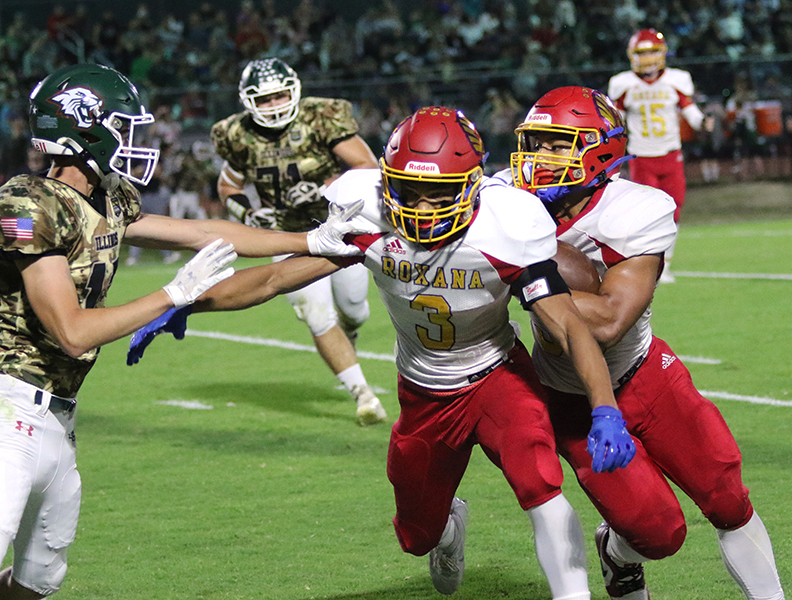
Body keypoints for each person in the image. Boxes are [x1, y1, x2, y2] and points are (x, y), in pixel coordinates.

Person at [133, 106, 637, 599]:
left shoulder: (506, 224)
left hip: (495, 373)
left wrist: (605, 407)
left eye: (435, 192)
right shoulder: (369, 214)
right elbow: (272, 276)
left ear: (472, 184)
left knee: (541, 484)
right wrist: (189, 304)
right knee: (418, 533)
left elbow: (567, 324)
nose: (420, 207)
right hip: (422, 390)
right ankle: (446, 526)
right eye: (407, 190)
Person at [0, 63, 355, 600]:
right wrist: (173, 294)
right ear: (80, 126)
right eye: (122, 124)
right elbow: (73, 333)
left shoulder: (110, 196)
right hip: (9, 406)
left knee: (38, 579)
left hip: (59, 413)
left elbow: (206, 231)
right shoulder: (25, 202)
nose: (134, 137)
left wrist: (314, 241)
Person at [509, 85, 785, 600]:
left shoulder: (635, 207)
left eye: (557, 144)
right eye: (536, 143)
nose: (540, 158)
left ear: (600, 148)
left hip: (645, 372)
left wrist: (528, 276)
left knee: (727, 498)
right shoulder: (503, 199)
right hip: (572, 397)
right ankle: (618, 553)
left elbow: (611, 319)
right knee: (657, 533)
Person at [210, 57, 386, 426]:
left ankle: (349, 333)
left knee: (354, 310)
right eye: (265, 99)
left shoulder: (320, 116)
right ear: (248, 101)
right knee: (316, 313)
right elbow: (228, 185)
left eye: (280, 96)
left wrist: (325, 187)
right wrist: (248, 215)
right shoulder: (238, 134)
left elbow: (369, 165)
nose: (274, 105)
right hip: (289, 236)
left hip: (341, 227)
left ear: (294, 92)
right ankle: (363, 395)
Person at [607, 28, 713, 282]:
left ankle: (664, 264)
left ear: (663, 53)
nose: (648, 57)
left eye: (653, 51)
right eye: (642, 52)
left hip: (670, 154)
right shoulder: (623, 84)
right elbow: (614, 121)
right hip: (642, 156)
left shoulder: (676, 80)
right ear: (632, 54)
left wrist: (703, 123)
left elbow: (690, 111)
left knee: (674, 210)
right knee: (648, 214)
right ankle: (648, 264)